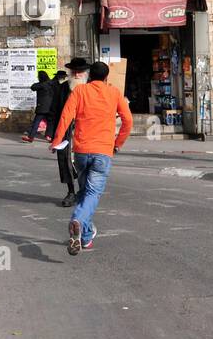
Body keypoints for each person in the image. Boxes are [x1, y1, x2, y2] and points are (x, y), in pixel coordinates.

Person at [50, 60, 132, 255]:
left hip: (81, 151)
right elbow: (128, 120)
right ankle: (77, 220)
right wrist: (117, 143)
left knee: (85, 192)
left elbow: (66, 116)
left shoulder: (79, 91)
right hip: (103, 151)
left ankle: (85, 237)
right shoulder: (113, 92)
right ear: (106, 77)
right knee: (92, 194)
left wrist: (57, 140)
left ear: (88, 76)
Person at [50, 59, 88, 205]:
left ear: (85, 73)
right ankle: (71, 192)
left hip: (86, 130)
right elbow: (55, 111)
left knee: (86, 162)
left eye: (80, 72)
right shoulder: (63, 88)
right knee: (65, 161)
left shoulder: (90, 87)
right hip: (66, 130)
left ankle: (85, 191)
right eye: (74, 72)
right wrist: (54, 135)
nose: (77, 75)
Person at [22, 70, 55, 141]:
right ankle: (49, 137)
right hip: (51, 107)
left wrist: (40, 83)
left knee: (36, 122)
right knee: (50, 123)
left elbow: (33, 87)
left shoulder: (41, 85)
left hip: (42, 107)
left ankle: (30, 137)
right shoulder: (51, 83)